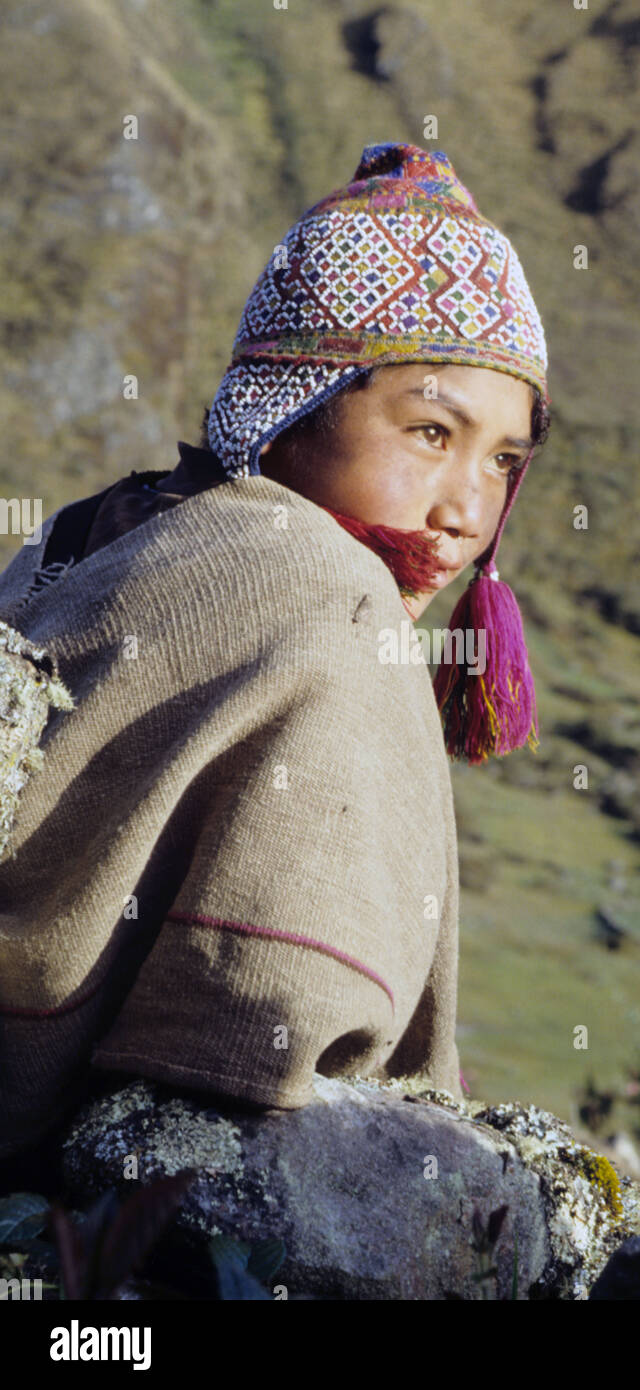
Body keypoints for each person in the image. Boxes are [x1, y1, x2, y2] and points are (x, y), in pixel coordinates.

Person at [0, 142, 550, 1177]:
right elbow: (274, 1060)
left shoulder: (90, 529)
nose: (467, 511)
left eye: (505, 462)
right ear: (292, 401)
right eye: (431, 430)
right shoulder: (324, 591)